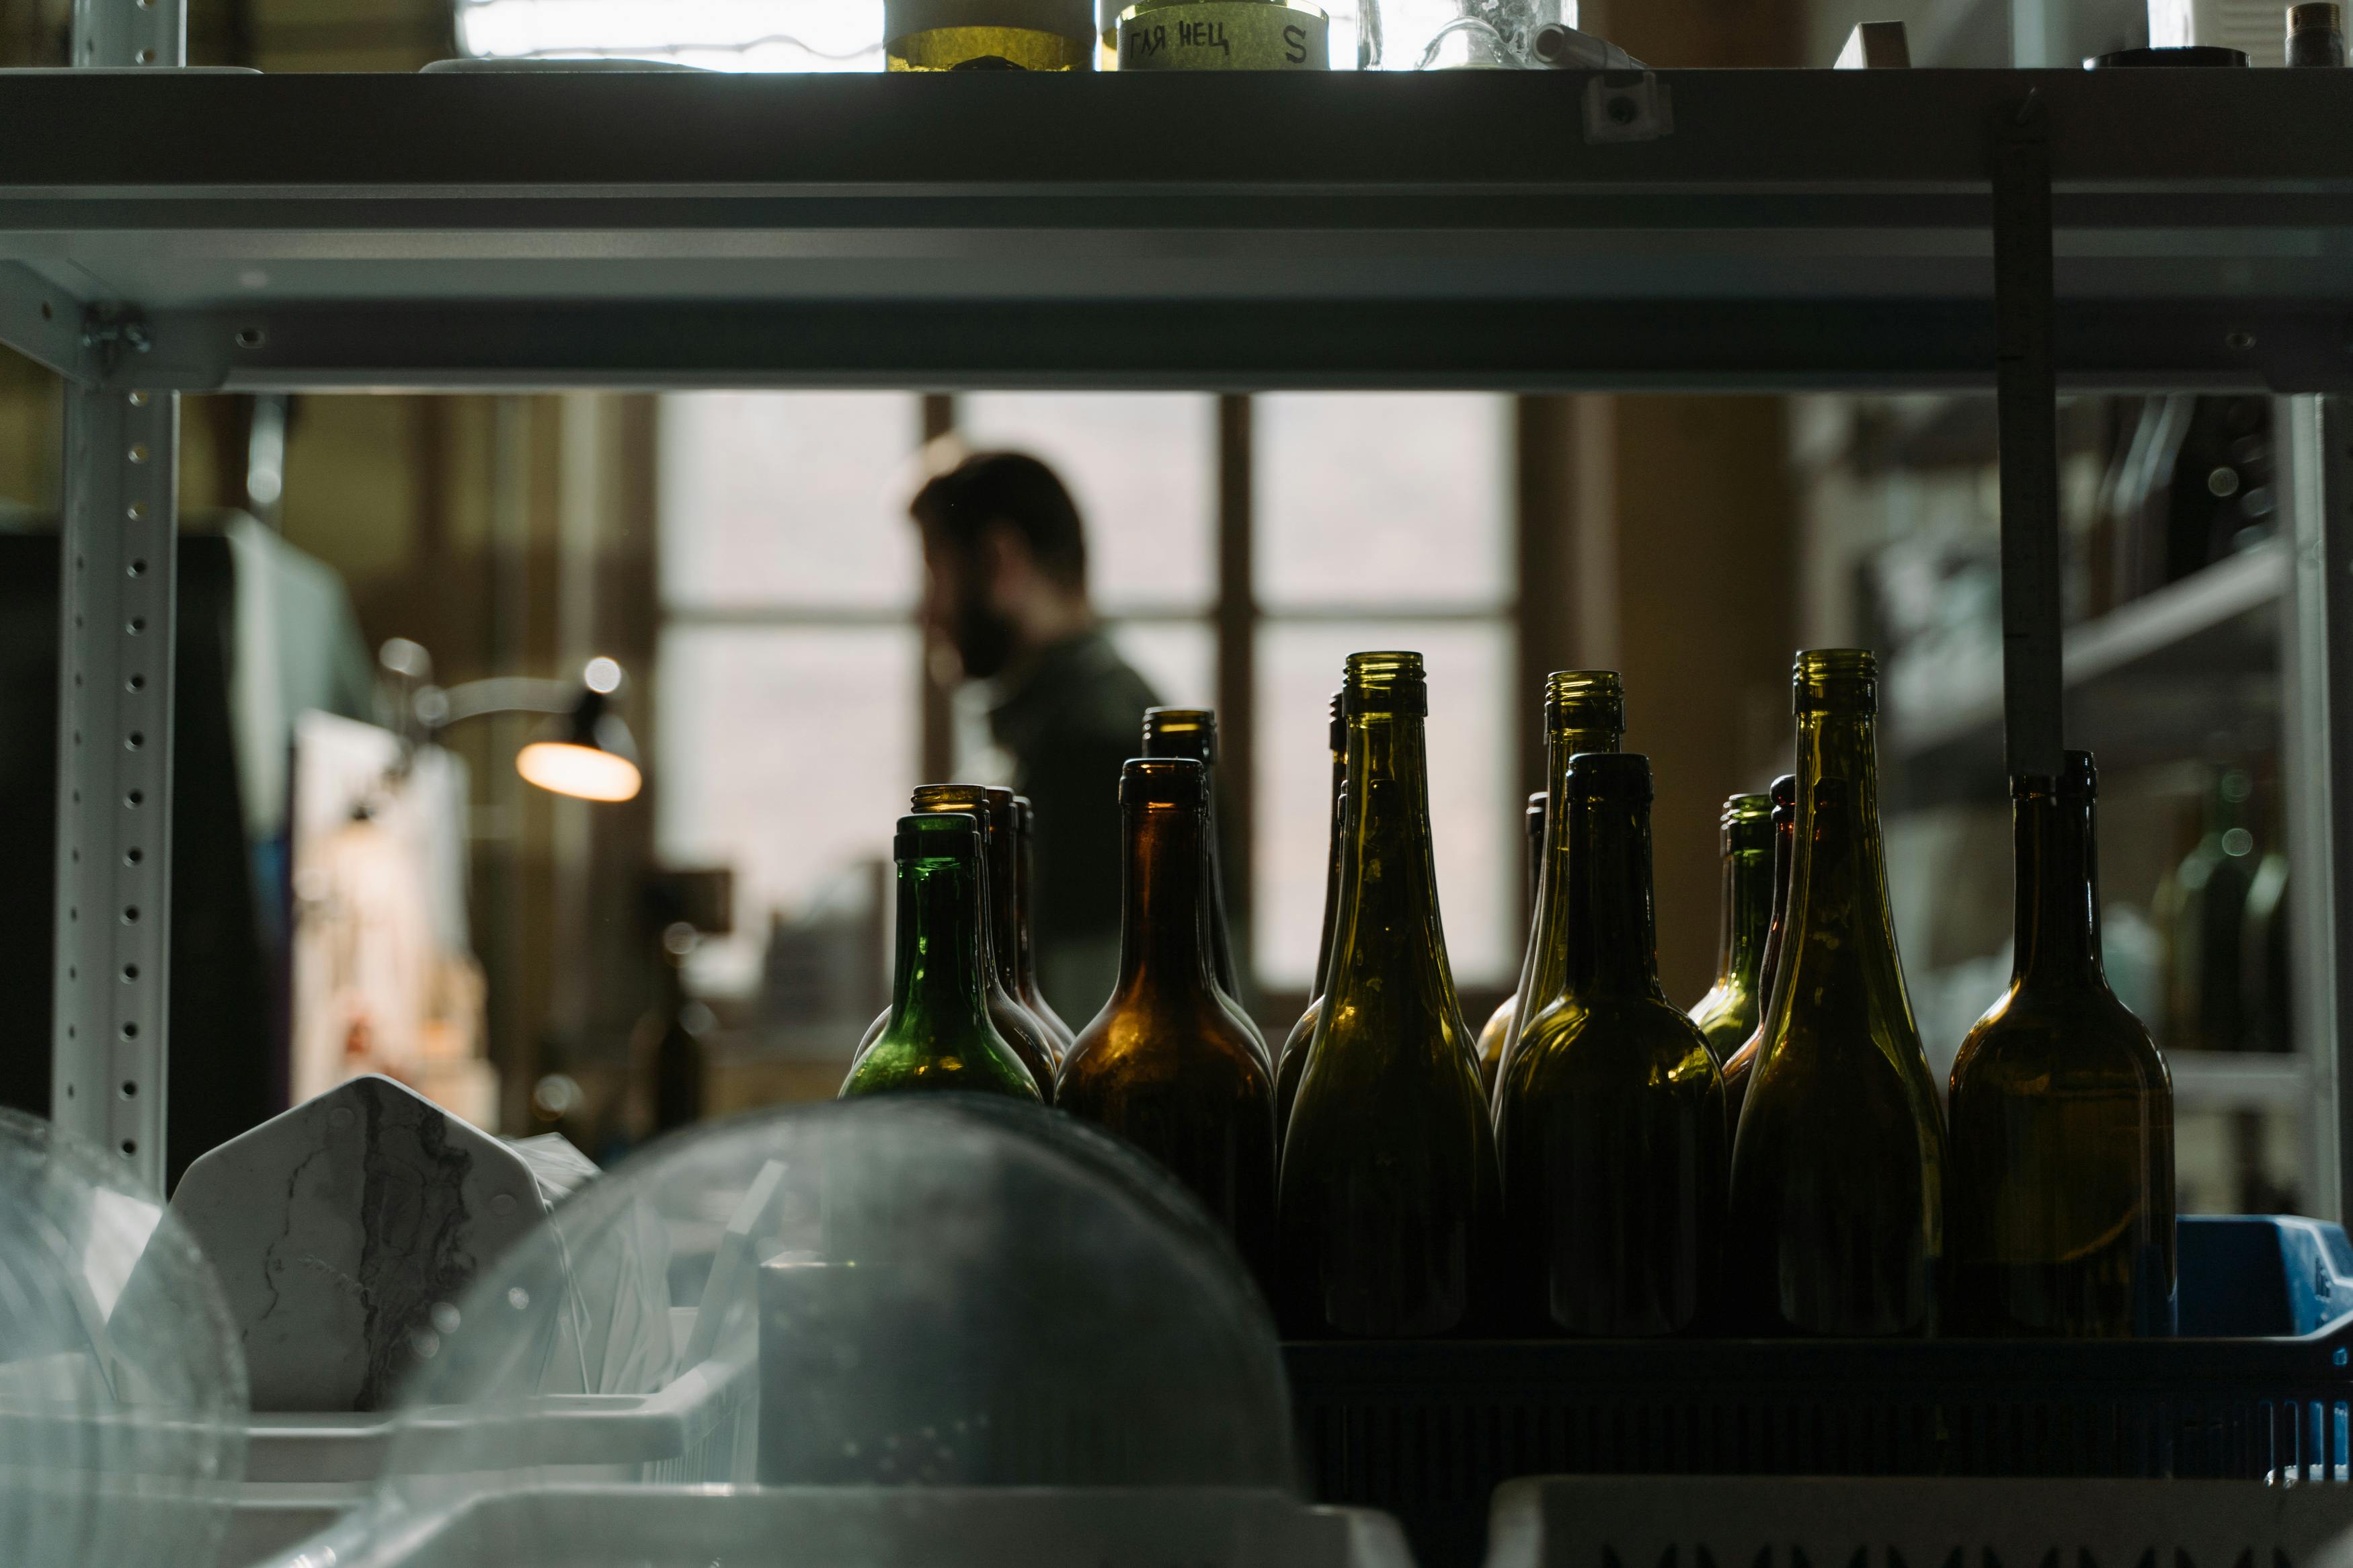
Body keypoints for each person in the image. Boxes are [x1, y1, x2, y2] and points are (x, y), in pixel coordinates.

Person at [910, 449, 1161, 1025]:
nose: (927, 614)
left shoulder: (1097, 749)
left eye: (933, 573)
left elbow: (1082, 1029)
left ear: (999, 562)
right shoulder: (1061, 729)